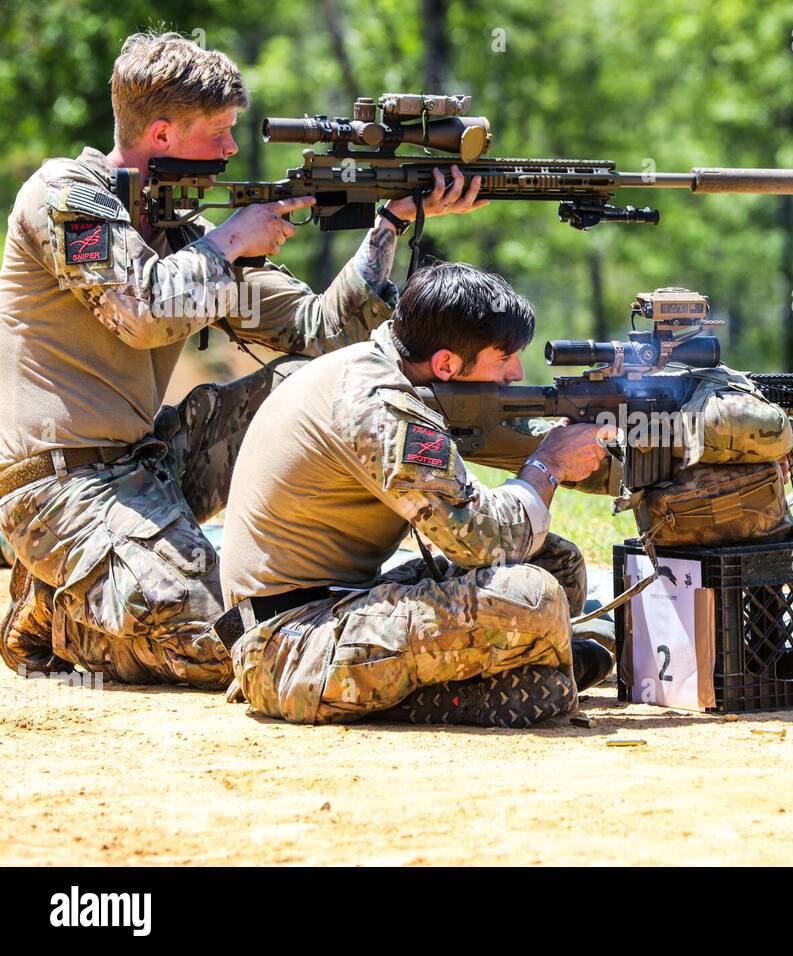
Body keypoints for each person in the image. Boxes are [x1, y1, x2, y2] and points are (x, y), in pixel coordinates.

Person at [0, 31, 485, 688]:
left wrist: (389, 226)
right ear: (163, 134)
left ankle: (113, 588)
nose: (230, 150)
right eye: (218, 132)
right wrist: (230, 241)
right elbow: (141, 313)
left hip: (146, 465)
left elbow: (320, 334)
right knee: (227, 643)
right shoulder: (64, 195)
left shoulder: (184, 233)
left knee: (302, 385)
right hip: (56, 485)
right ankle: (58, 615)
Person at [220, 261, 614, 728]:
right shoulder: (380, 405)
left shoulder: (379, 369)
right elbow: (477, 539)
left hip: (329, 614)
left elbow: (467, 513)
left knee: (552, 562)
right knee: (532, 596)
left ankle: (521, 670)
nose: (516, 371)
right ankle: (455, 690)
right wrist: (547, 466)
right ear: (446, 363)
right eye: (504, 356)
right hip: (288, 647)